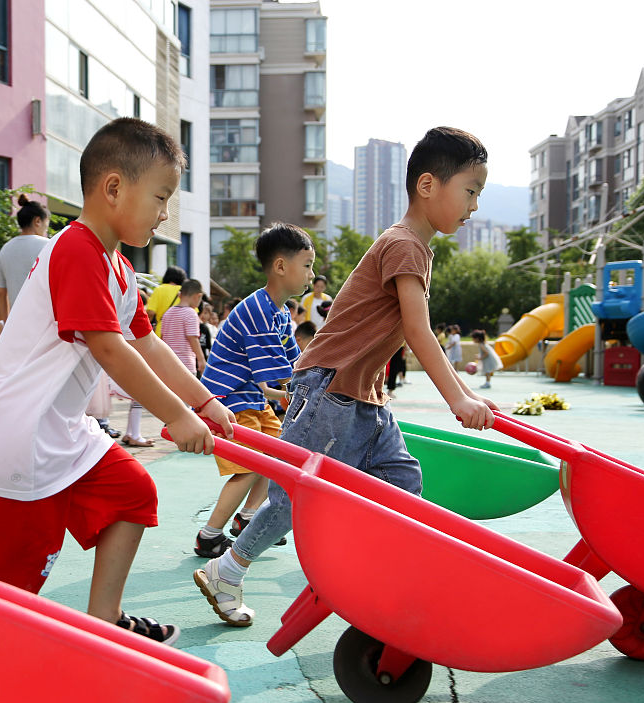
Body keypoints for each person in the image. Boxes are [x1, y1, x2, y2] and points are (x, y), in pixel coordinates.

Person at [195, 127, 497, 626]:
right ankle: (228, 570)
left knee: (401, 480)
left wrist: (466, 394)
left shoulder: (415, 248)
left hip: (363, 397)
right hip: (331, 391)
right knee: (297, 495)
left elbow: (408, 332)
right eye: (470, 191)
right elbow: (420, 332)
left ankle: (379, 574)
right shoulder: (404, 246)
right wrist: (458, 400)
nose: (474, 206)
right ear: (428, 186)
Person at [0, 117, 235, 645]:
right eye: (160, 197)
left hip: (58, 430)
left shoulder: (118, 267)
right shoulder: (76, 249)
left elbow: (147, 343)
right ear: (113, 188)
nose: (164, 213)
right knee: (8, 595)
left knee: (133, 492)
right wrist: (175, 416)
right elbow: (108, 347)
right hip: (15, 437)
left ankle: (104, 618)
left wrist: (205, 400)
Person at [194, 223, 314, 559]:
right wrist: (310, 385)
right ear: (280, 266)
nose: (311, 274)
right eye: (306, 265)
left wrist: (317, 376)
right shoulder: (258, 310)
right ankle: (209, 534)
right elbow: (280, 371)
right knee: (249, 465)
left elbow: (296, 360)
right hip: (228, 401)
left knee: (278, 455)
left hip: (251, 399)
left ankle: (247, 519)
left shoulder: (278, 312)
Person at [0, 193, 50, 322]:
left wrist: (7, 325)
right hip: (46, 322)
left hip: (18, 323)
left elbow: (2, 294)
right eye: (46, 225)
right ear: (37, 221)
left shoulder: (5, 249)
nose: (46, 231)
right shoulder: (48, 245)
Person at [160, 278, 206, 377]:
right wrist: (201, 360)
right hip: (185, 365)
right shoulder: (191, 313)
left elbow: (162, 338)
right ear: (198, 296)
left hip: (167, 364)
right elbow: (193, 339)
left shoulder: (168, 313)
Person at [144, 265, 186, 335]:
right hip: (182, 332)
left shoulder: (159, 289)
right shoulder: (184, 291)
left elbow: (151, 312)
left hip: (162, 330)